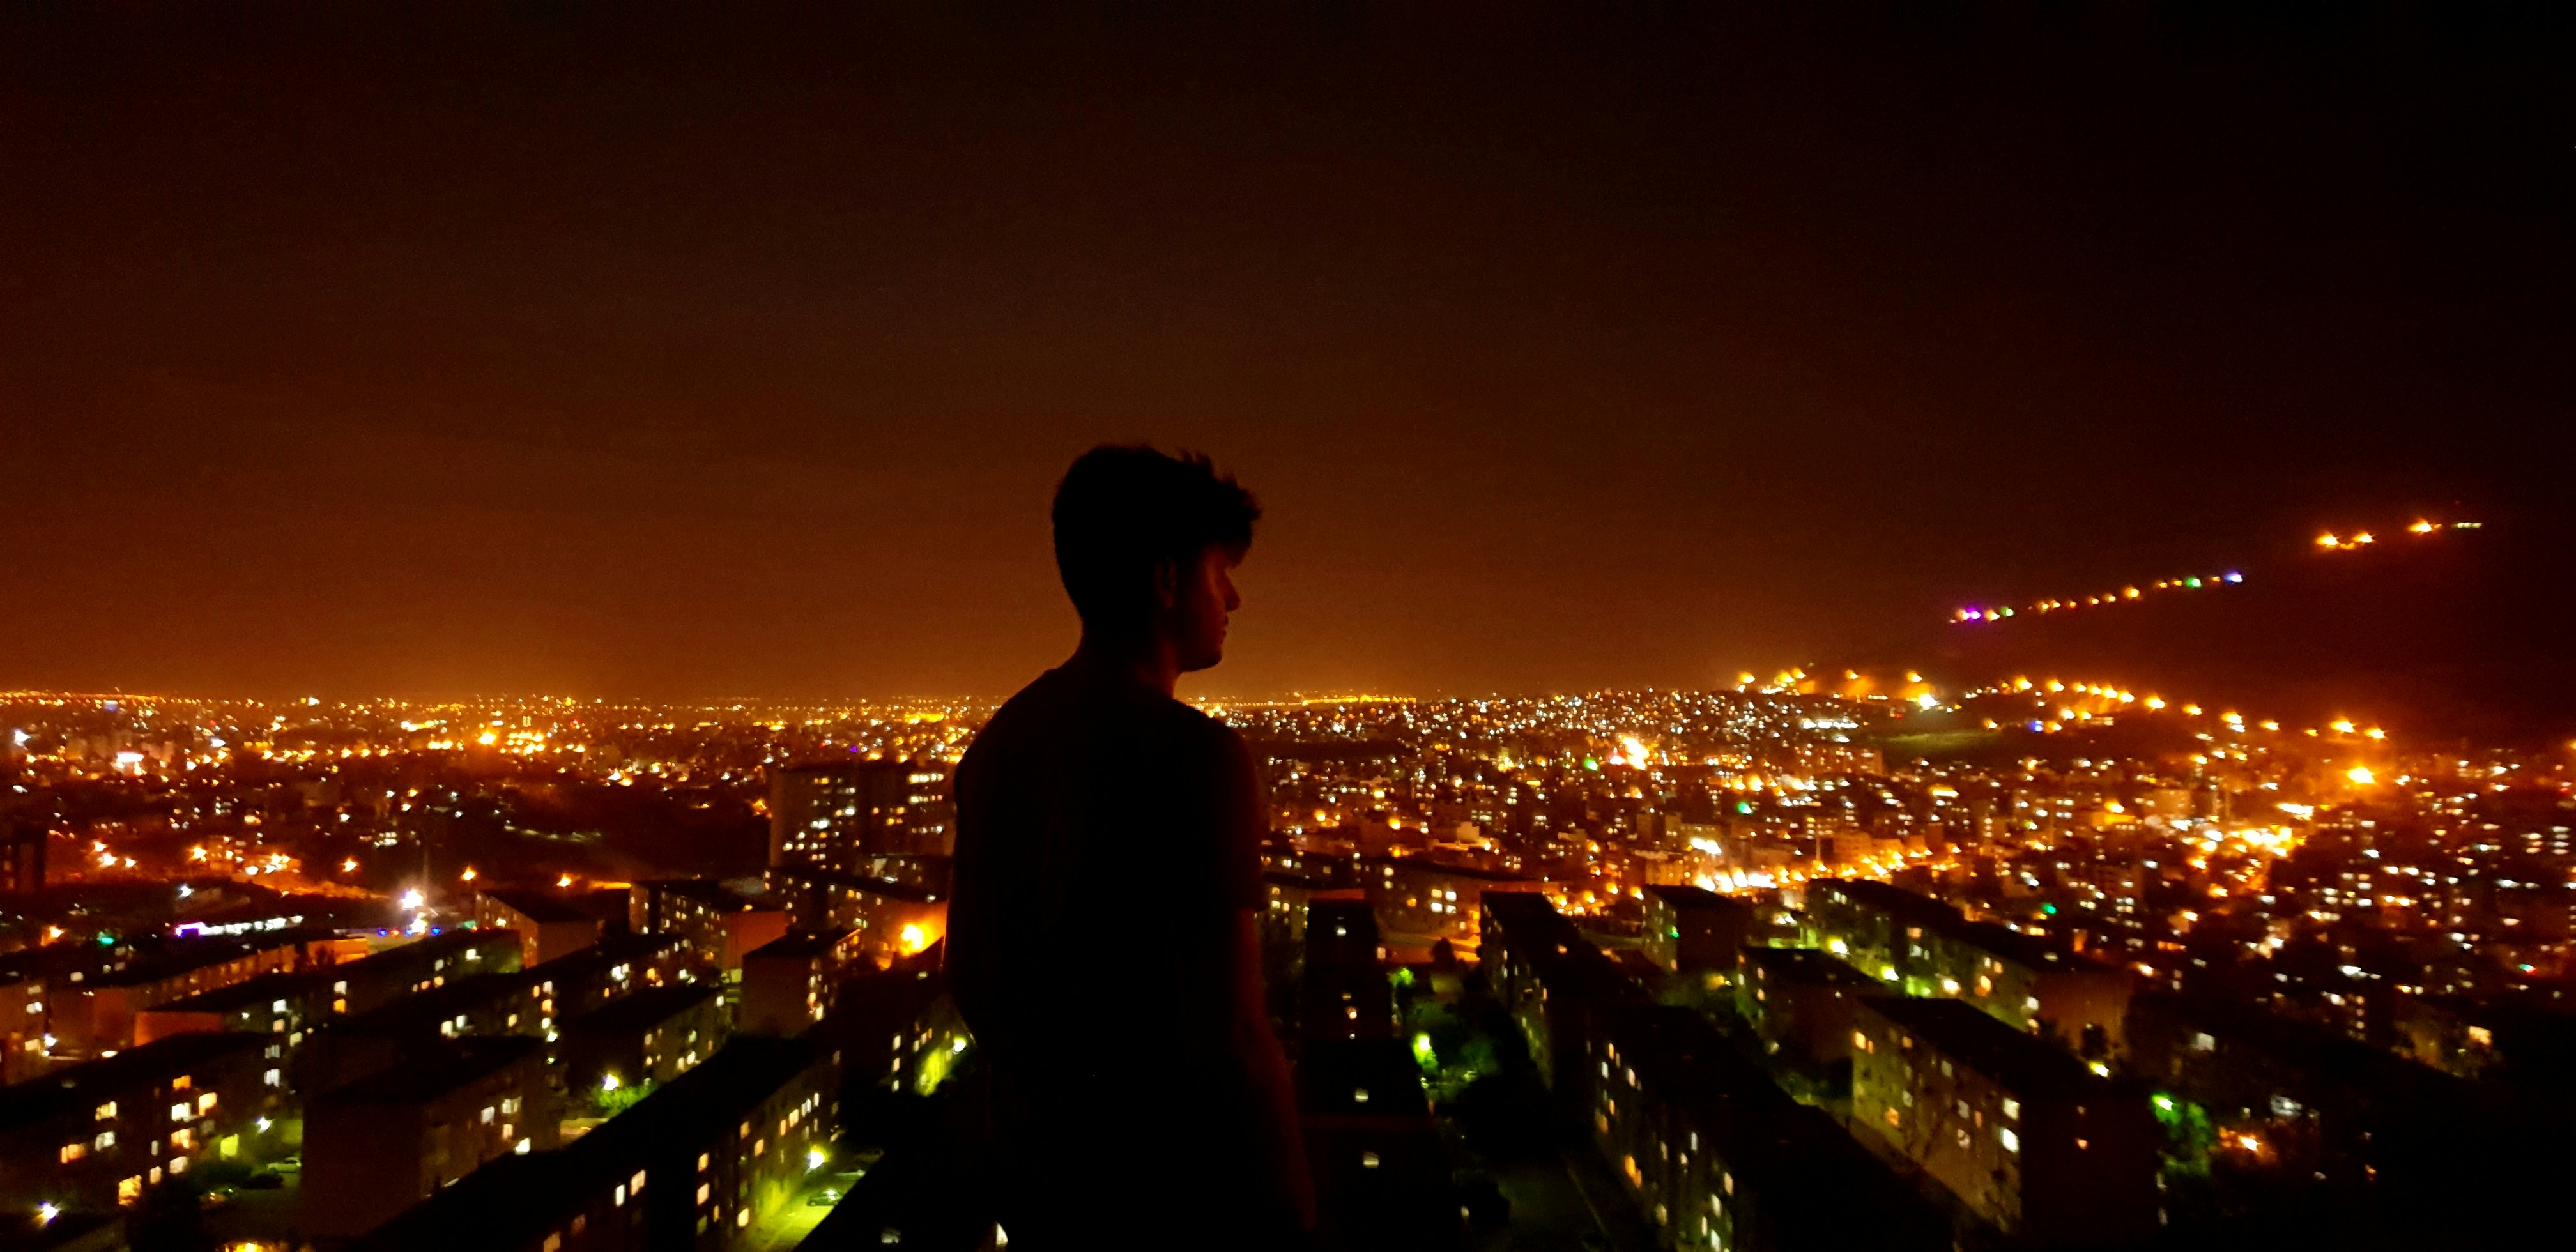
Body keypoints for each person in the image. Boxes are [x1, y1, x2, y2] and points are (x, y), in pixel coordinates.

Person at [948, 445, 1314, 1249]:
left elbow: (971, 975)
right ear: (1166, 579)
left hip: (1037, 1182)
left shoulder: (1001, 745)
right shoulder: (1195, 757)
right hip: (1170, 1195)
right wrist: (1292, 1212)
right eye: (1222, 572)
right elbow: (1236, 1035)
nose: (1236, 599)